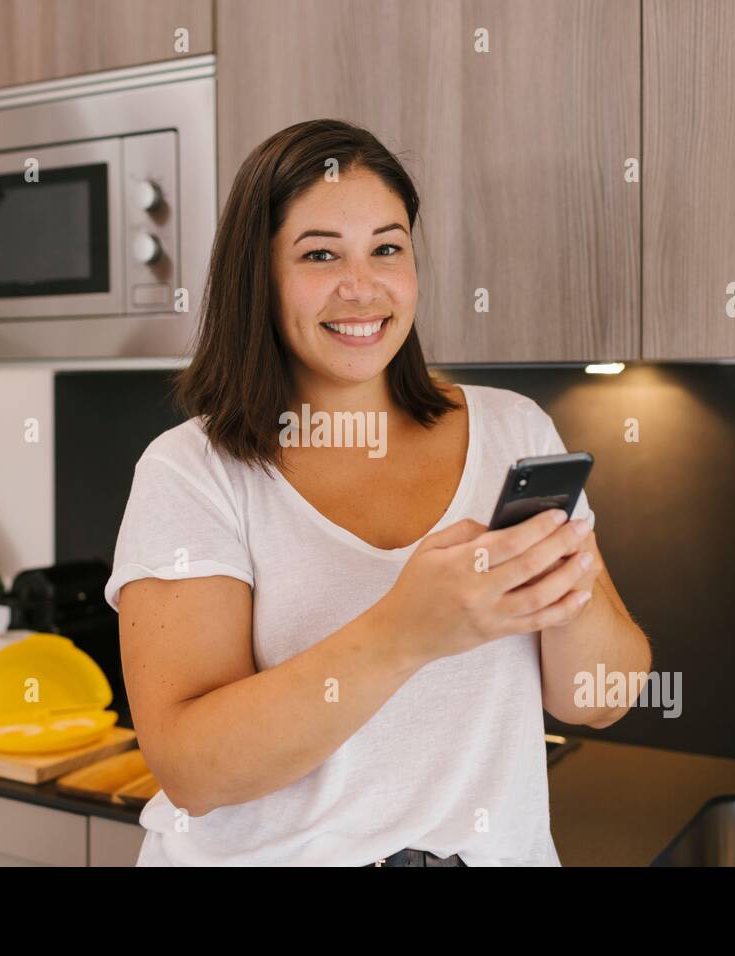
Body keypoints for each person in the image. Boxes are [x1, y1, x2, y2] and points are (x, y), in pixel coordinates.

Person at [105, 118, 652, 866]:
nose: (361, 287)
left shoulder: (514, 432)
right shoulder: (192, 473)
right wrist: (406, 631)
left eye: (387, 248)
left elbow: (600, 695)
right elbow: (193, 770)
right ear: (257, 274)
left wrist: (559, 583)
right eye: (320, 254)